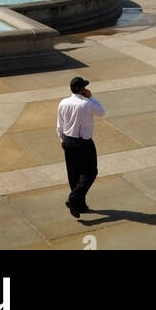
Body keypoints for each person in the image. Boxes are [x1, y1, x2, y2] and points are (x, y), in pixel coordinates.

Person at [56, 76, 105, 218]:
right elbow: (101, 112)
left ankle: (78, 205)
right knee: (90, 172)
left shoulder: (63, 103)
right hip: (83, 143)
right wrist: (91, 98)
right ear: (82, 90)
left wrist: (62, 139)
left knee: (74, 174)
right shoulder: (86, 104)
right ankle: (74, 199)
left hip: (68, 141)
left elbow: (59, 124)